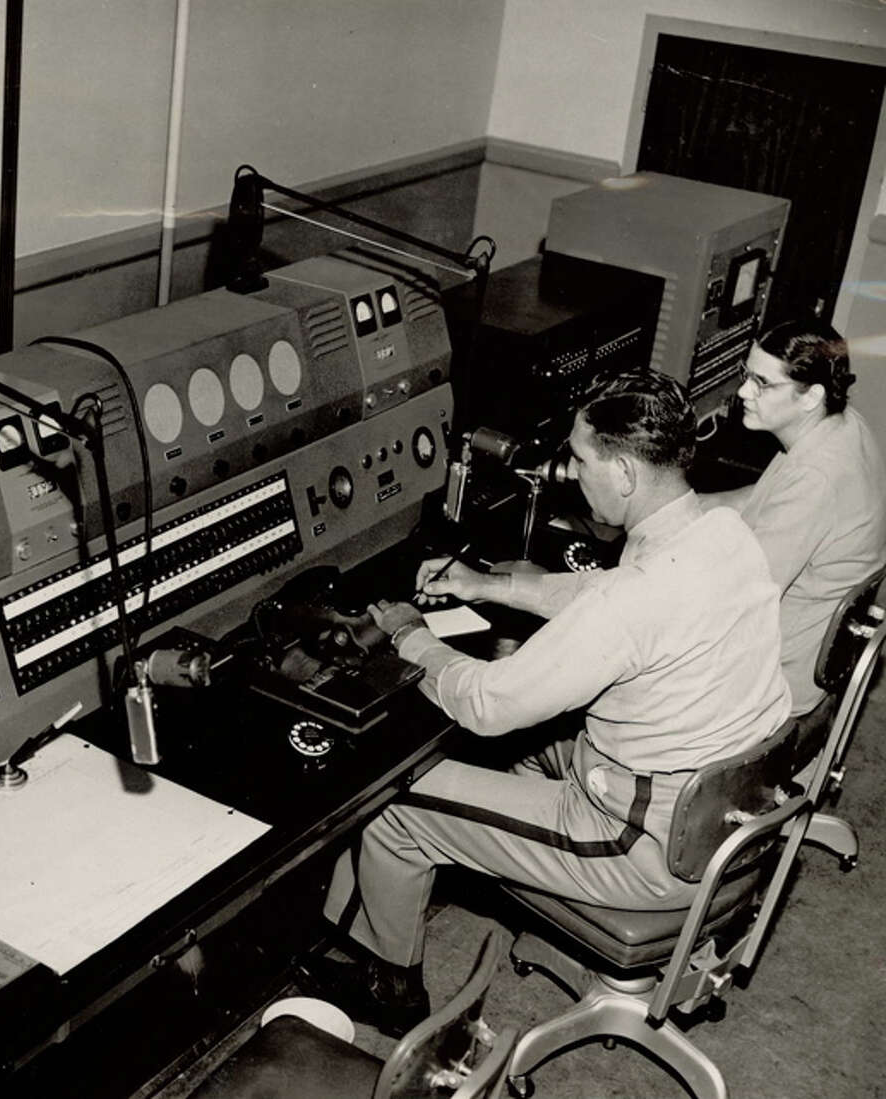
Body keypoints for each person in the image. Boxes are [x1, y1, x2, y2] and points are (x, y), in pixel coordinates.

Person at [302, 370, 791, 1037]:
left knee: (391, 797)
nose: (570, 473)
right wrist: (493, 584)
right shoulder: (721, 534)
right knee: (527, 748)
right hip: (719, 822)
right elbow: (614, 599)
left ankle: (387, 982)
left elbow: (484, 703)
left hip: (640, 844)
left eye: (581, 459)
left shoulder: (637, 597)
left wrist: (410, 637)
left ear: (622, 471)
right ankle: (442, 878)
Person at [701, 319, 886, 717]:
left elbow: (737, 596)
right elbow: (766, 500)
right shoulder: (840, 425)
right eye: (745, 374)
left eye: (762, 383)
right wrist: (693, 506)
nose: (743, 392)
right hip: (801, 652)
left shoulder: (817, 478)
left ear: (810, 395)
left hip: (770, 682)